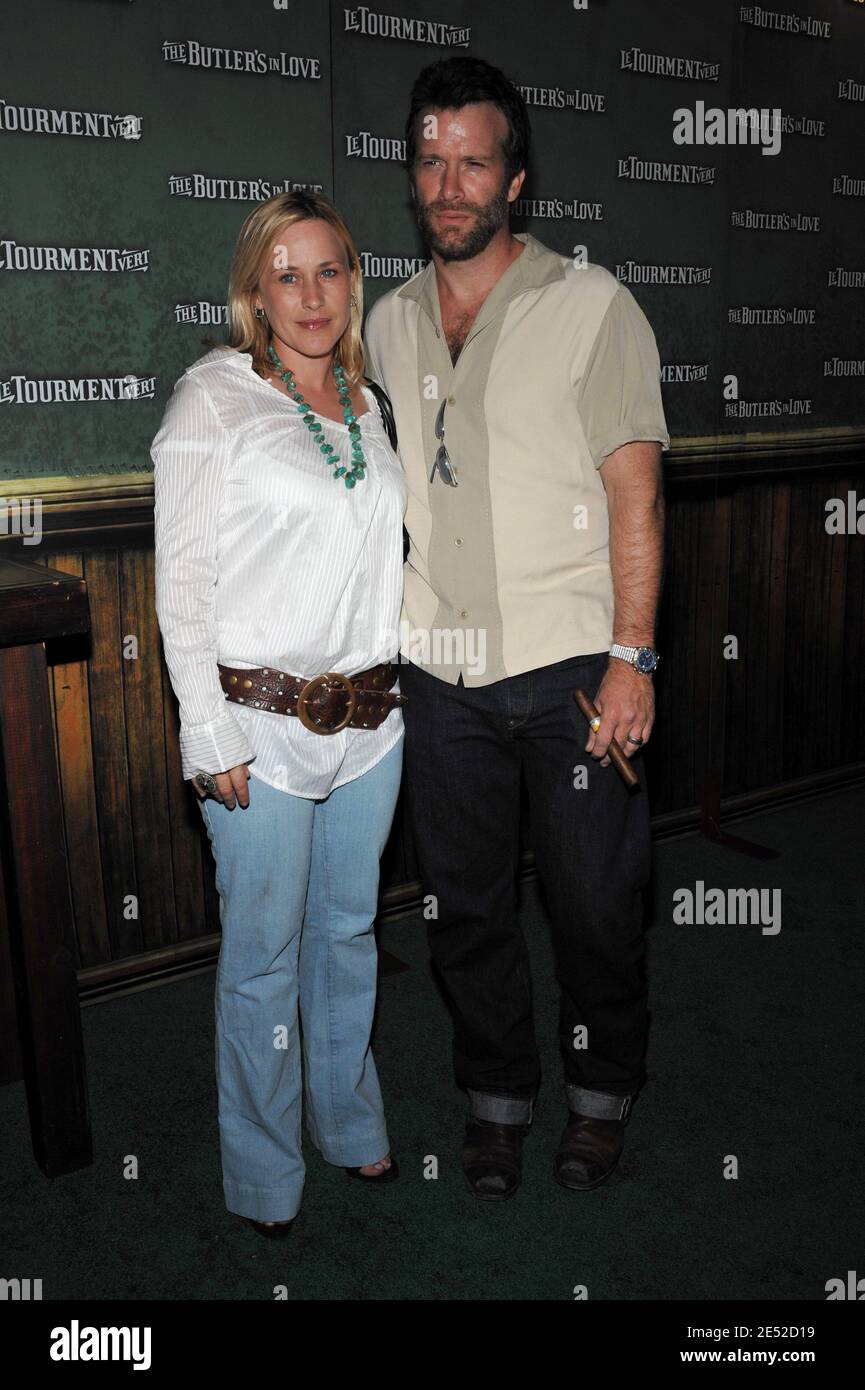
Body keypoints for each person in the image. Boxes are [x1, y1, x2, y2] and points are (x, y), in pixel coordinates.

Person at [363, 56, 670, 1200]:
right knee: (466, 908)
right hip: (438, 675)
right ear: (414, 176)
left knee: (593, 904)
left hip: (577, 668)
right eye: (431, 161)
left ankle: (599, 1099)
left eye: (473, 162)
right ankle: (495, 1100)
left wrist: (634, 657)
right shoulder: (385, 321)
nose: (450, 183)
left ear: (516, 180)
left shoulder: (593, 305)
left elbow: (635, 491)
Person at [151, 190, 407, 1237]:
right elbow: (184, 582)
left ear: (354, 279)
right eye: (287, 273)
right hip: (254, 730)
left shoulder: (369, 400)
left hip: (374, 726)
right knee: (261, 955)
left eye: (331, 269)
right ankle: (263, 1173)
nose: (311, 294)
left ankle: (346, 1121)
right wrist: (205, 731)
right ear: (254, 287)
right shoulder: (212, 397)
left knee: (347, 936)